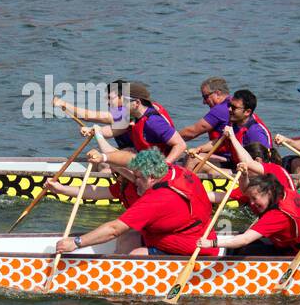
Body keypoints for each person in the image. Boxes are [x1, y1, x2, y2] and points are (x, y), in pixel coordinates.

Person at [54, 149, 217, 256]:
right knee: (128, 237)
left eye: (138, 177)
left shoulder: (158, 199)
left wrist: (76, 243)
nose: (134, 180)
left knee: (136, 255)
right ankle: (113, 272)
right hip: (178, 233)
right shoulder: (170, 169)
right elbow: (131, 158)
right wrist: (104, 157)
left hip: (193, 250)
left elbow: (114, 229)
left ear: (151, 177)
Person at [198, 173, 300, 256]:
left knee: (242, 249)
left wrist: (211, 243)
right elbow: (226, 196)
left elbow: (245, 240)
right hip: (287, 245)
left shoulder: (278, 215)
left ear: (268, 192)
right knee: (237, 243)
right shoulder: (283, 191)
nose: (251, 203)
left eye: (254, 198)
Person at [85, 82, 185, 164]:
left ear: (137, 103)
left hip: (155, 169)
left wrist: (165, 165)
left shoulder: (153, 121)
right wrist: (93, 130)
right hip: (143, 164)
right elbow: (113, 130)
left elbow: (180, 145)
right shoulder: (135, 118)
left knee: (107, 161)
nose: (121, 104)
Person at [211, 88, 272, 166]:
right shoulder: (234, 123)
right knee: (195, 158)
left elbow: (263, 165)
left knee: (207, 168)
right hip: (235, 162)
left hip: (248, 170)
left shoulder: (255, 132)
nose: (229, 109)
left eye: (234, 108)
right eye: (229, 105)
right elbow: (219, 142)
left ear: (247, 112)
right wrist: (199, 149)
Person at [177, 76, 232, 142]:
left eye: (205, 97)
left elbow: (191, 132)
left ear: (218, 93)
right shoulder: (236, 103)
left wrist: (167, 139)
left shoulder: (219, 110)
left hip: (226, 152)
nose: (204, 102)